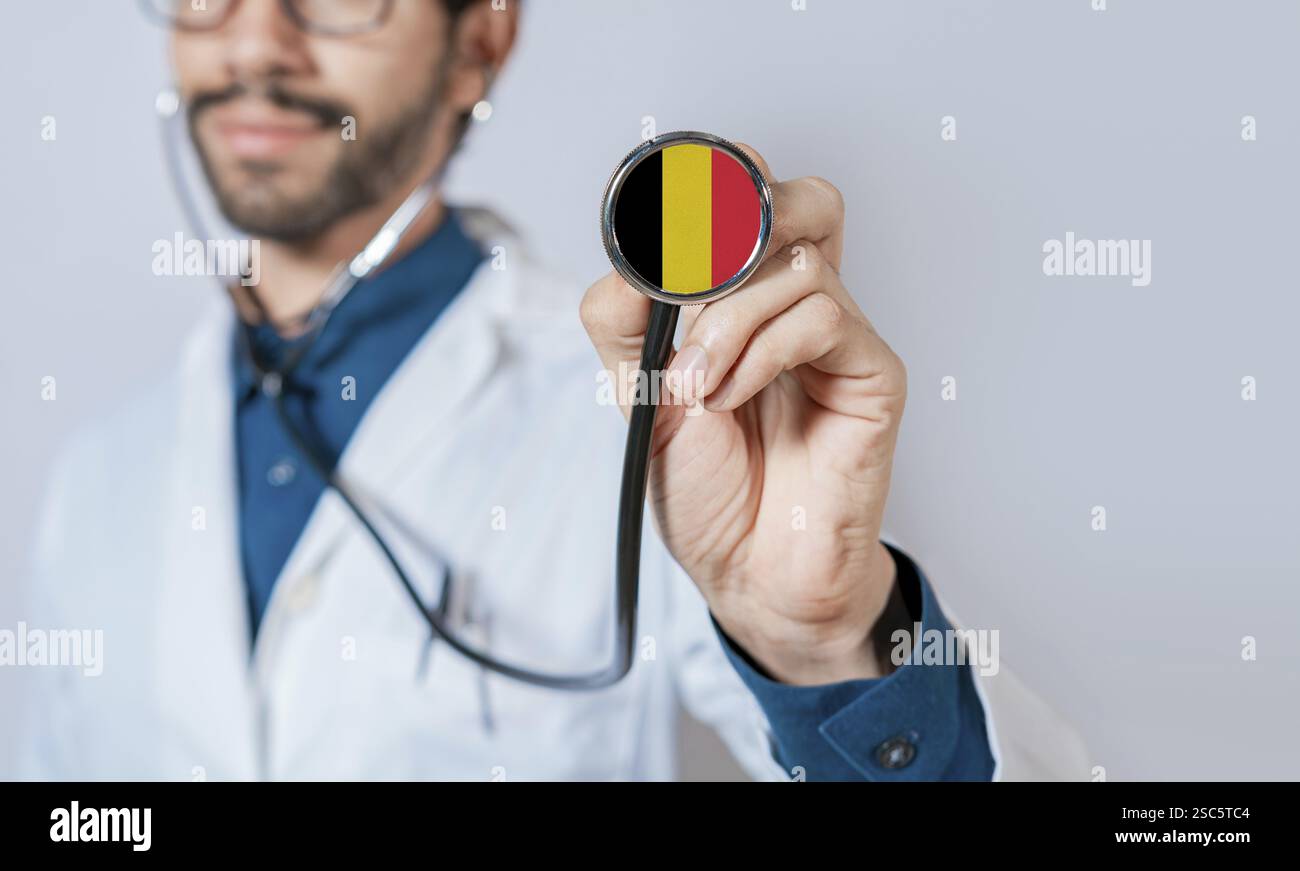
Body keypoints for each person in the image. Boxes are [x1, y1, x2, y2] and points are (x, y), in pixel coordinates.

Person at [18, 0, 1086, 780]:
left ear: (477, 42)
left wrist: (822, 646)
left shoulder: (669, 418)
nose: (253, 41)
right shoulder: (94, 477)